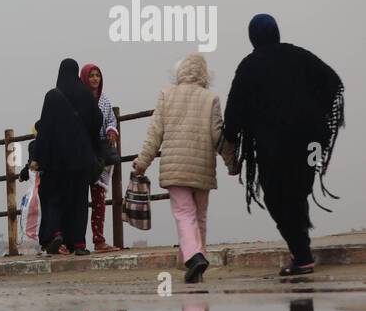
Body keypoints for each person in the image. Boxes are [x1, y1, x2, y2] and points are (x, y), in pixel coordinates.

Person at [223, 14, 346, 276]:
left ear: (252, 37)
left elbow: (234, 114)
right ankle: (301, 251)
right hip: (310, 142)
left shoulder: (249, 66)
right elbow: (334, 83)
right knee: (298, 191)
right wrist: (315, 115)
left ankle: (301, 256)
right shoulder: (299, 55)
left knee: (277, 197)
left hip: (274, 146)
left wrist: (231, 138)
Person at [132, 55, 233, 284]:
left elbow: (155, 134)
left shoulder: (167, 95)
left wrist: (142, 162)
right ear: (205, 74)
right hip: (202, 168)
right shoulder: (211, 98)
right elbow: (218, 135)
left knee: (184, 214)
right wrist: (231, 163)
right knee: (200, 216)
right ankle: (197, 258)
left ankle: (194, 257)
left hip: (176, 168)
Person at [32, 59, 102, 256]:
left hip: (57, 161)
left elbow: (44, 128)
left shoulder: (52, 96)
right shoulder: (86, 95)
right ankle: (79, 244)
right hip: (80, 159)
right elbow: (97, 121)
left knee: (54, 197)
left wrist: (38, 156)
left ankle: (57, 233)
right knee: (79, 201)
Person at [79, 64, 120, 252]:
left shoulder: (104, 101)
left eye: (98, 76)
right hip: (81, 153)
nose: (95, 79)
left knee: (99, 198)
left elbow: (111, 120)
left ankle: (99, 240)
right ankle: (76, 242)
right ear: (84, 78)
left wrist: (112, 130)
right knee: (78, 199)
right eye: (92, 76)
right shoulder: (78, 99)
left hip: (100, 156)